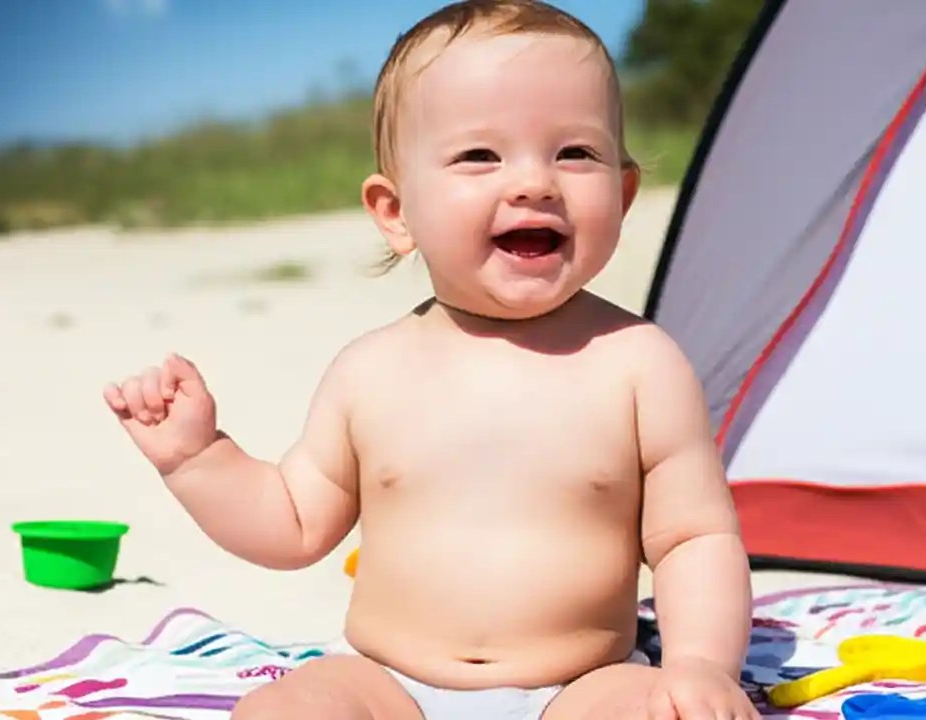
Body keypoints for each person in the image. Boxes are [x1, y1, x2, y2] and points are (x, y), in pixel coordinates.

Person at [101, 1, 756, 717]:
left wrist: (699, 667)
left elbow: (694, 538)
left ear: (623, 195)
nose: (535, 182)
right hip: (390, 684)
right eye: (480, 155)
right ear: (396, 211)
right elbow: (291, 523)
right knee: (288, 709)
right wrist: (198, 460)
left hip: (581, 687)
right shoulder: (370, 370)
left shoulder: (640, 364)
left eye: (576, 152)